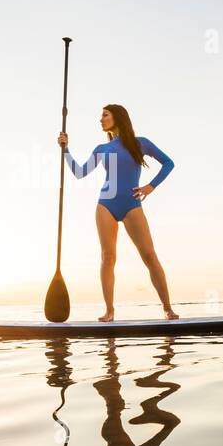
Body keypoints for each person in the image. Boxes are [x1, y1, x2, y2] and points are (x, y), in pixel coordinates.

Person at [58, 102, 177, 322]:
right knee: (108, 257)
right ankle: (109, 311)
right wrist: (65, 150)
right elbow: (79, 172)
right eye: (101, 116)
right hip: (106, 204)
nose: (101, 119)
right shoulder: (102, 149)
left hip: (132, 205)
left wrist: (151, 186)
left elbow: (169, 163)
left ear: (117, 118)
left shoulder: (141, 143)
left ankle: (168, 308)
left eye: (105, 115)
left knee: (149, 256)